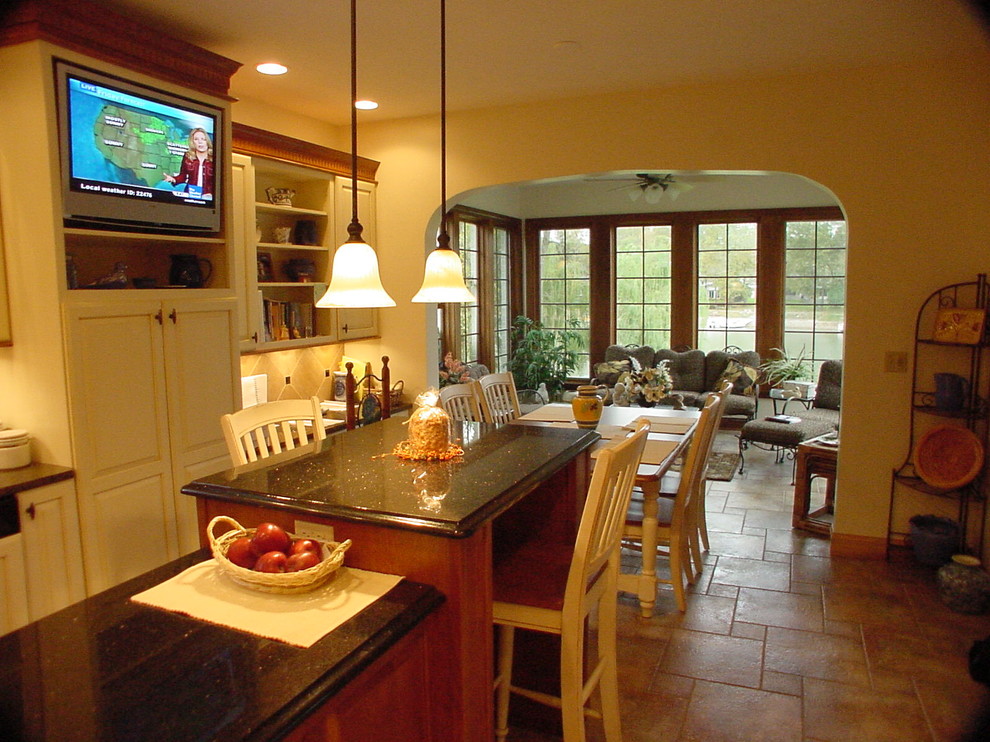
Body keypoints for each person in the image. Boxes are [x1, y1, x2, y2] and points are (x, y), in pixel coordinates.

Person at [163, 127, 213, 198]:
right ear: (193, 142)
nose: (200, 142)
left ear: (207, 142)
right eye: (196, 139)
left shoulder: (213, 159)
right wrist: (173, 179)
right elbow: (182, 176)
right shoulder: (188, 157)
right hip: (190, 195)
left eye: (203, 139)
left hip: (208, 197)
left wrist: (212, 193)